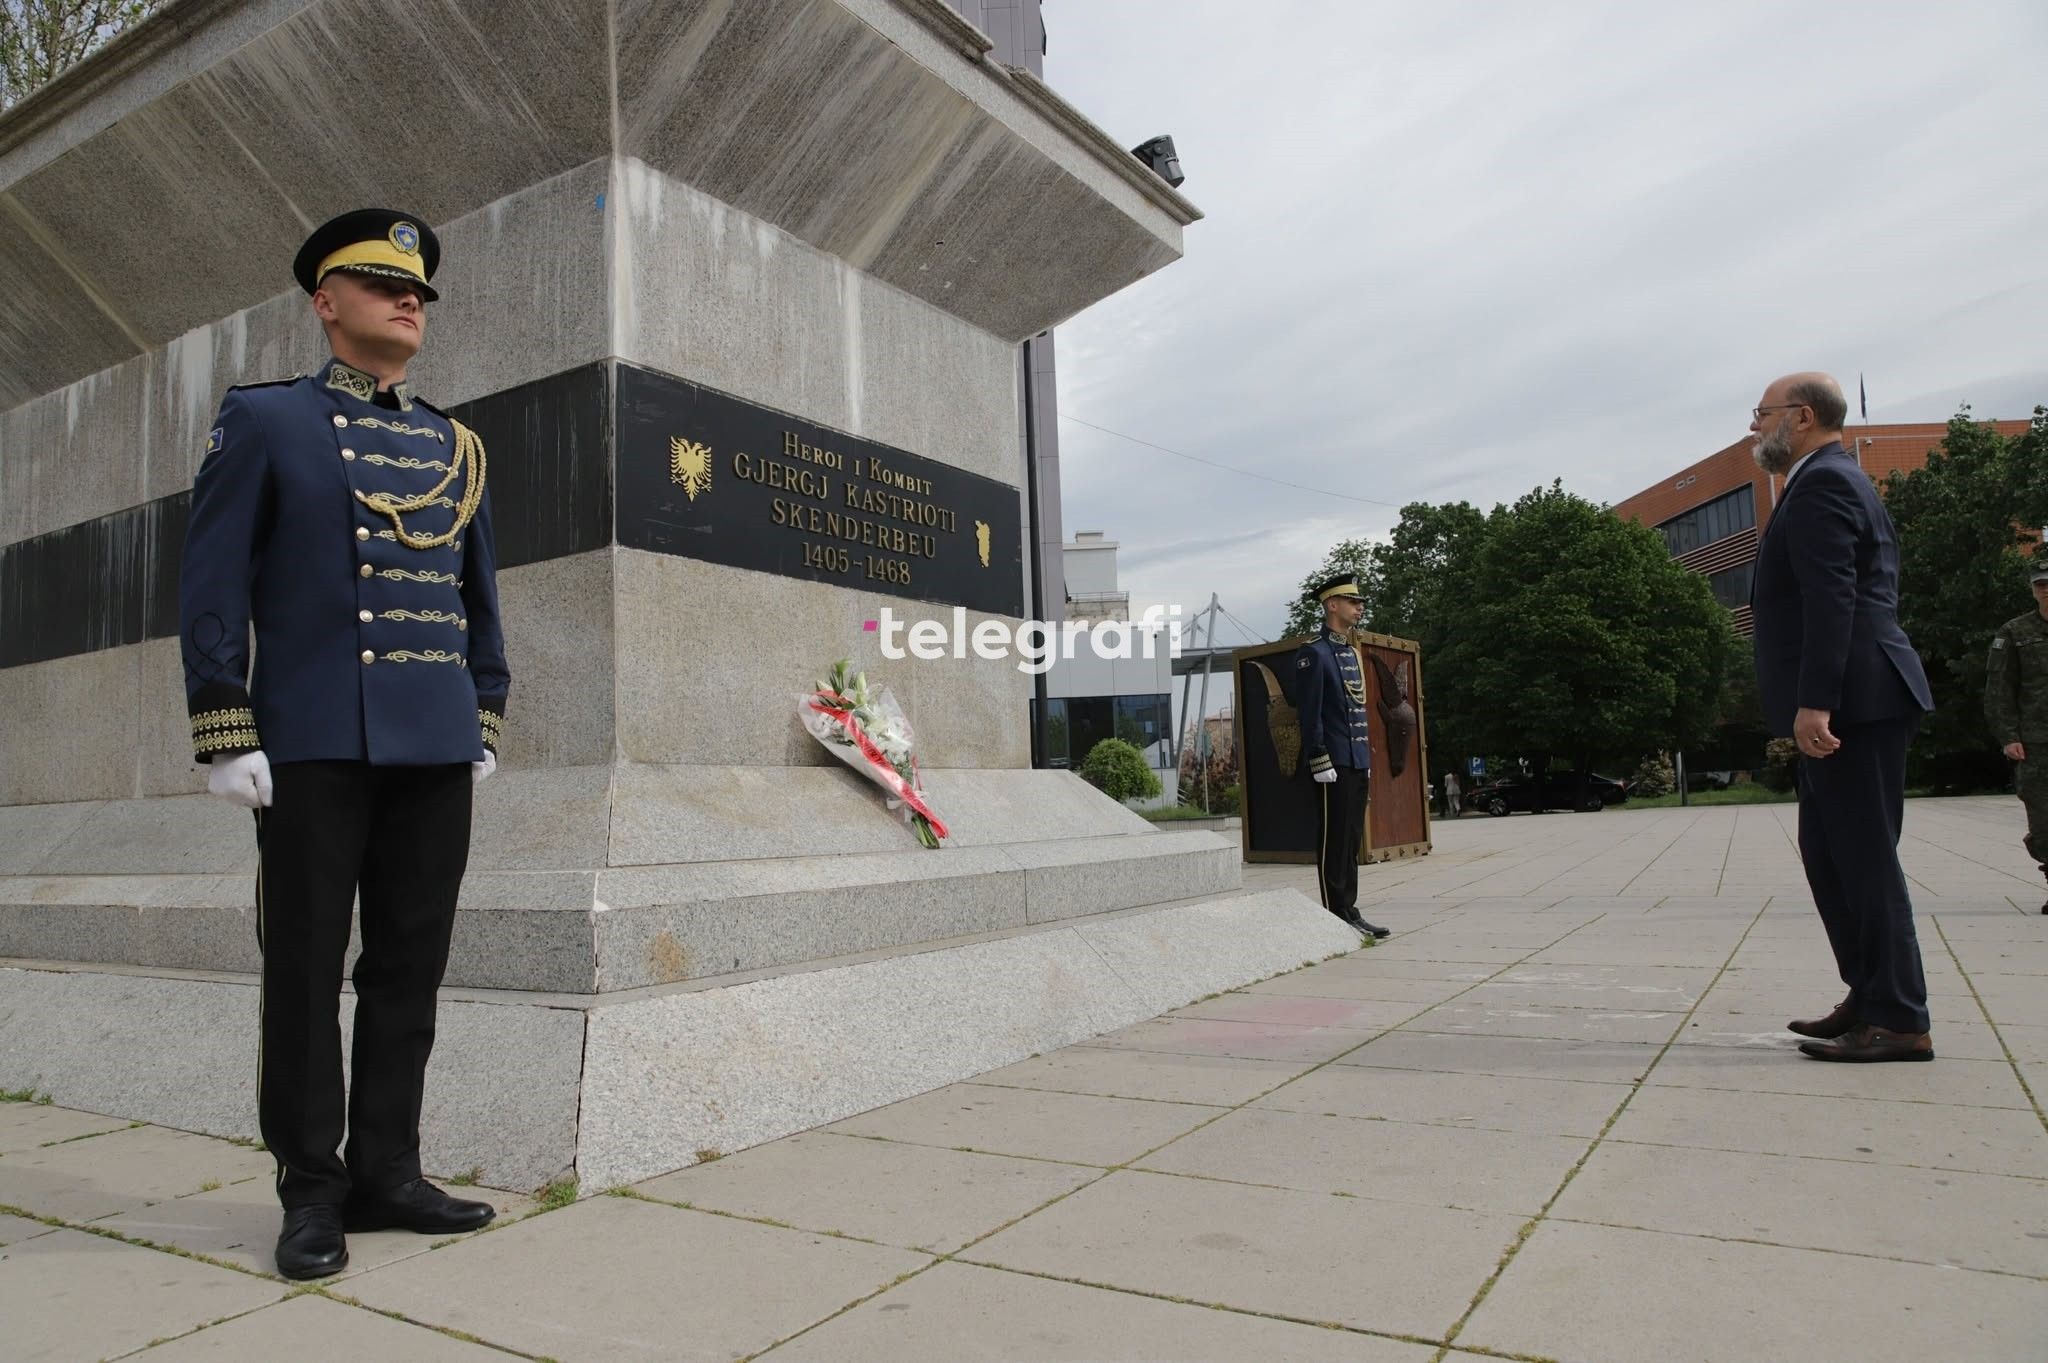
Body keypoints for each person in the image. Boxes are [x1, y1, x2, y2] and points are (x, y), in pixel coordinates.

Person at [180, 208, 510, 1279]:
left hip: (432, 742)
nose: (406, 298)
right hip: (313, 743)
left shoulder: (455, 445)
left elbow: (476, 601)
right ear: (326, 303)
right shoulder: (267, 421)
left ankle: (387, 1171)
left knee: (409, 968)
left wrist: (484, 714)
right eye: (378, 283)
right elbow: (213, 579)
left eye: (415, 287)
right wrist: (223, 723)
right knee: (306, 972)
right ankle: (310, 1189)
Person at [1747, 373, 1935, 1063]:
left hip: (1854, 701)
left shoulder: (1825, 482)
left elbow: (1835, 597)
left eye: (1760, 413)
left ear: (1800, 417)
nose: (1752, 426)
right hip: (1856, 695)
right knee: (1833, 858)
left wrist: (1816, 700)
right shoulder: (1827, 476)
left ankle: (1898, 1017)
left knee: (1863, 862)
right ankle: (1870, 994)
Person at [1293, 574, 1389, 938]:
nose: (1359, 606)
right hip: (1332, 762)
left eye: (1359, 601)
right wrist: (1319, 757)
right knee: (1333, 839)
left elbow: (1355, 709)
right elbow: (1311, 711)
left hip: (1355, 759)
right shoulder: (1313, 654)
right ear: (1332, 604)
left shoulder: (1350, 651)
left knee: (1350, 839)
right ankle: (1335, 912)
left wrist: (1363, 757)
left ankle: (1350, 909)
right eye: (1352, 601)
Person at [1984, 562, 2048, 913]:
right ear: (2033, 589)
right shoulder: (2015, 632)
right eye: (2041, 585)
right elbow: (1999, 691)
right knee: (2043, 819)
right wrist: (2008, 735)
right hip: (2036, 744)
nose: (2047, 590)